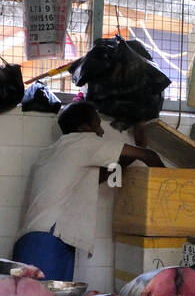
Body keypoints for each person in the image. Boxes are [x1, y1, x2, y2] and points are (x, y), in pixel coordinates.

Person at [14, 101, 162, 280]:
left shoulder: (56, 151)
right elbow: (149, 157)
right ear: (84, 127)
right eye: (97, 125)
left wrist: (140, 147)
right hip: (49, 240)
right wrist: (172, 192)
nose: (101, 132)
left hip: (34, 239)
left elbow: (105, 174)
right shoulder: (83, 141)